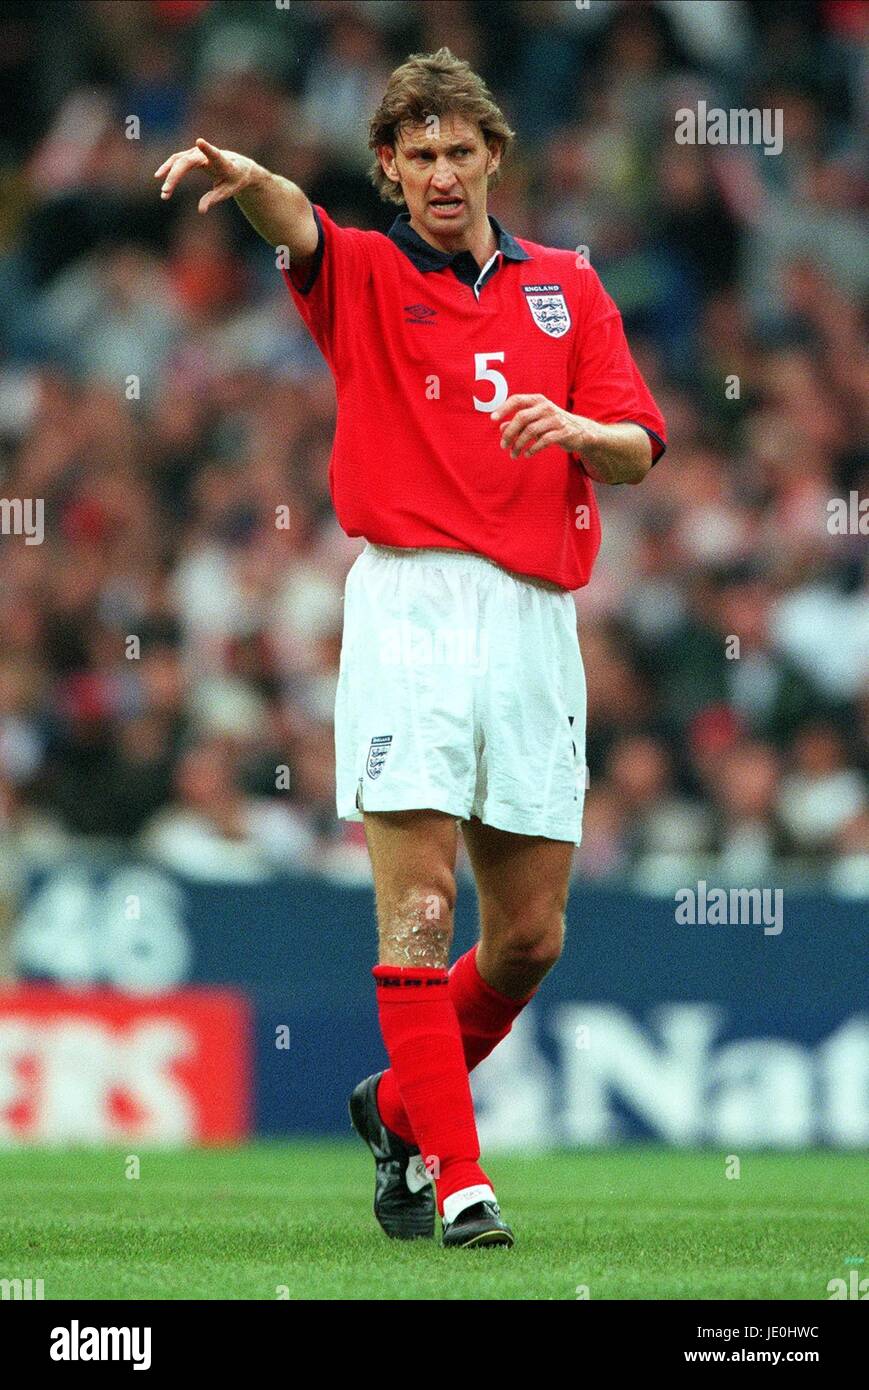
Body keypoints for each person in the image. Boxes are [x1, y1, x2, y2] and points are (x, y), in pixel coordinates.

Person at [156, 47, 666, 1249]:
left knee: (532, 934)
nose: (440, 173)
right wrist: (256, 176)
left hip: (537, 615)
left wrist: (577, 428)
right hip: (411, 606)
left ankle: (395, 1108)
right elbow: (299, 221)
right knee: (419, 911)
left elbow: (639, 444)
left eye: (458, 150)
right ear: (388, 167)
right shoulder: (368, 273)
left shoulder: (568, 290)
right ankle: (462, 1175)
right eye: (417, 155)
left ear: (493, 154)